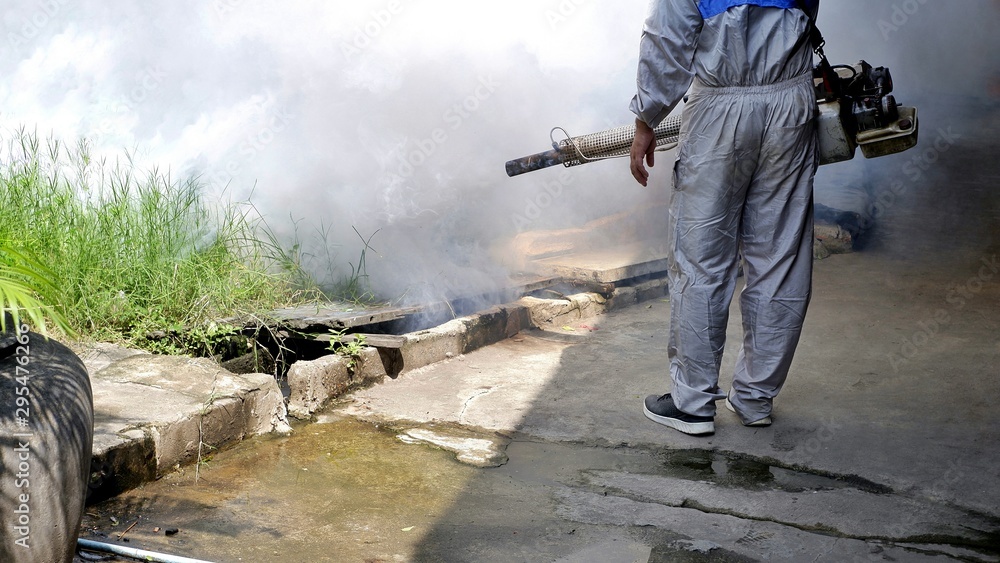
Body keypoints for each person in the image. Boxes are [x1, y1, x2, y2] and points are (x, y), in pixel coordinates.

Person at [629, 0, 821, 435]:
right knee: (780, 257)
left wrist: (646, 120)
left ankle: (693, 403)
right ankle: (755, 399)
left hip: (720, 108)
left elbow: (666, 41)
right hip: (791, 102)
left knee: (701, 257)